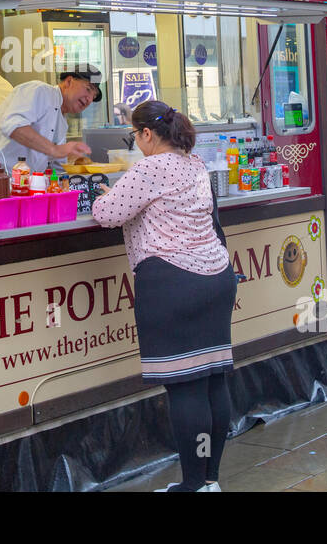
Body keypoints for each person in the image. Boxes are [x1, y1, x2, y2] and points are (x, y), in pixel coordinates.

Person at [91, 101, 237, 492]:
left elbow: (106, 214)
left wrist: (103, 195)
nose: (136, 143)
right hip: (217, 277)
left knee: (185, 385)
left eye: (134, 136)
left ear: (148, 135)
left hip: (174, 282)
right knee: (212, 380)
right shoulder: (195, 164)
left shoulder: (149, 168)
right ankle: (210, 481)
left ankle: (191, 486)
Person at [0, 66, 98, 173]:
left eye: (94, 96)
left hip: (16, 181)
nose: (89, 99)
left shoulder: (62, 122)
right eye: (88, 89)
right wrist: (54, 149)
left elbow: (57, 168)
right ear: (69, 81)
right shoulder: (40, 91)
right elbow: (12, 125)